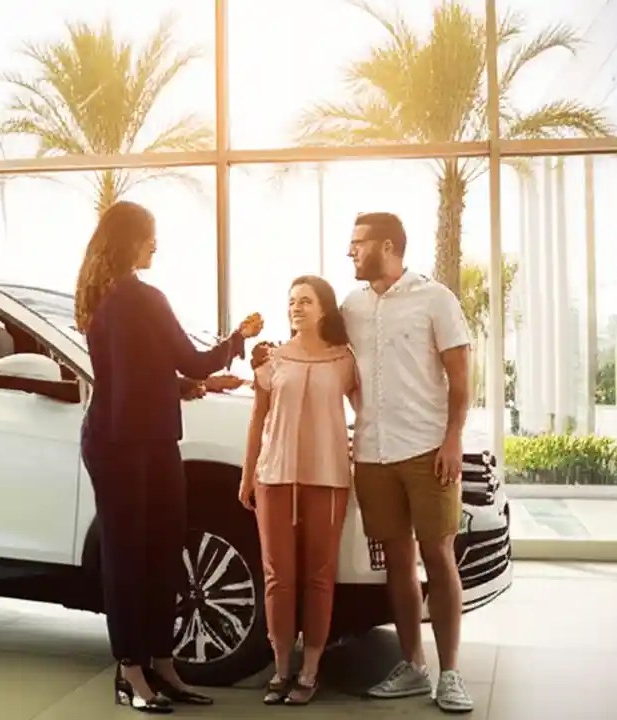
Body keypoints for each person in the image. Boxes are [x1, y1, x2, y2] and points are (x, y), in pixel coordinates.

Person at [252, 212, 473, 713]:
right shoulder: (351, 306)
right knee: (397, 560)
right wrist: (262, 357)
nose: (350, 252)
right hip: (372, 452)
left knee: (438, 557)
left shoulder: (435, 299)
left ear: (389, 246)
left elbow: (461, 375)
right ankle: (414, 666)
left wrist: (453, 438)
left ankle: (451, 673)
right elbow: (311, 338)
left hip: (426, 448)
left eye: (359, 244)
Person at [74, 200, 263, 714]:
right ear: (130, 239)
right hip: (125, 446)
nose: (155, 244)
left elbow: (138, 370)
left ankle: (161, 665)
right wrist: (238, 340)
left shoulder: (100, 296)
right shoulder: (142, 297)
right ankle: (132, 670)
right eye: (150, 235)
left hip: (136, 439)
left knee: (153, 553)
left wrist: (186, 387)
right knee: (133, 559)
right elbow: (191, 356)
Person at [238, 276, 358, 706]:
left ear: (324, 308)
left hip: (328, 479)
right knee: (278, 578)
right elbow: (258, 419)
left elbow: (366, 413)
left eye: (306, 301)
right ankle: (282, 667)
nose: (297, 307)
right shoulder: (272, 360)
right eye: (292, 301)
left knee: (319, 577)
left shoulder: (345, 360)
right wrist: (247, 473)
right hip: (275, 477)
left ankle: (310, 670)